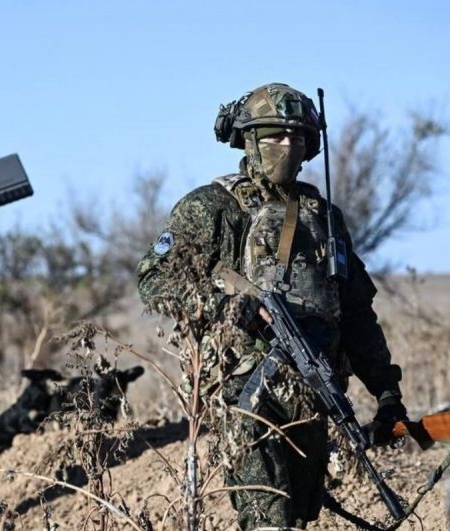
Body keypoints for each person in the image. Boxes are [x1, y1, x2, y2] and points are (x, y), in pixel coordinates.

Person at [137, 83, 408, 529]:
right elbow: (154, 278)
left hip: (311, 395)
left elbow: (356, 313)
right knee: (268, 519)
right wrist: (223, 304)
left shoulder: (324, 218)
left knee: (300, 516)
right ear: (248, 140)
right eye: (275, 136)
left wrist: (386, 392)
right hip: (244, 397)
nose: (287, 146)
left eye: (297, 138)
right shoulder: (211, 208)